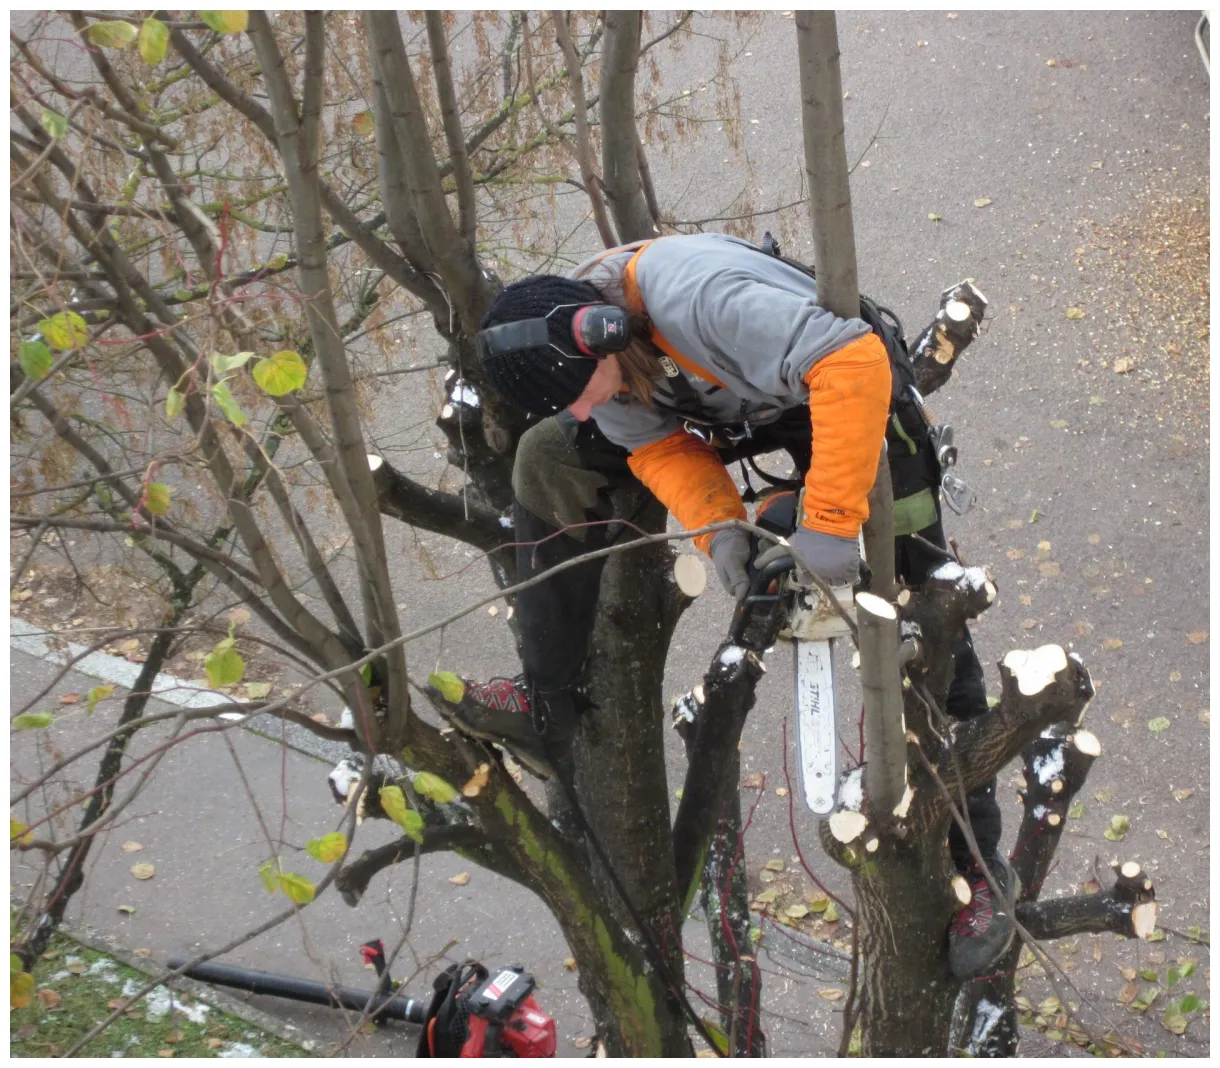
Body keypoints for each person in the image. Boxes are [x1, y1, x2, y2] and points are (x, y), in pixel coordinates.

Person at [432, 232, 1013, 979]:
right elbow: (658, 448)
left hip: (839, 377)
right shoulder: (600, 367)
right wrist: (719, 532)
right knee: (548, 455)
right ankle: (549, 688)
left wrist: (832, 524)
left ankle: (982, 868)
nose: (587, 405)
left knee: (929, 607)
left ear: (602, 334)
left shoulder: (698, 298)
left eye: (585, 388)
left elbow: (854, 361)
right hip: (734, 403)